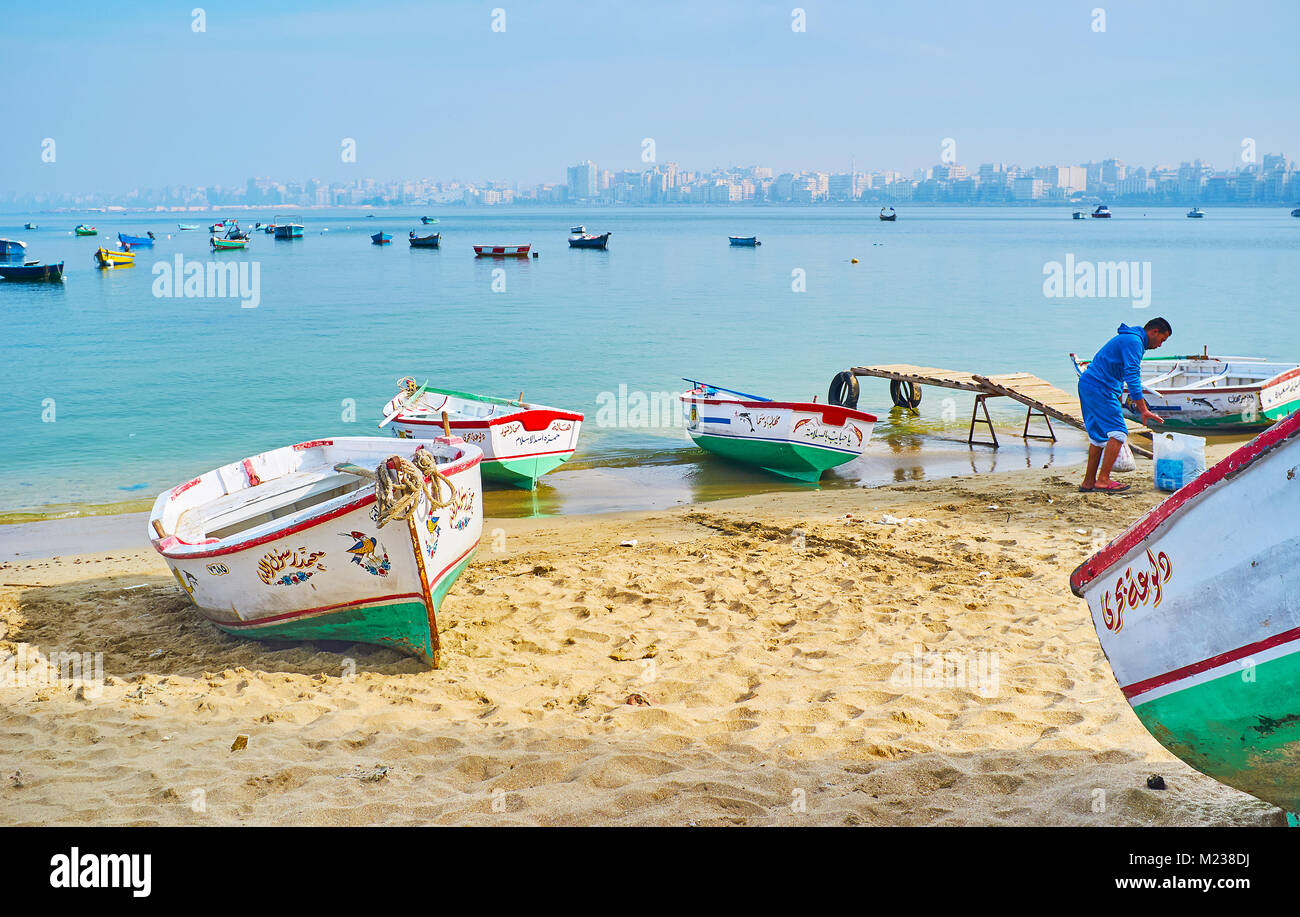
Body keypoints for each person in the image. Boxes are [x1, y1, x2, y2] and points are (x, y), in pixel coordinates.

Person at [1078, 317, 1172, 493]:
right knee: (1119, 432)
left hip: (1089, 384)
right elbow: (1132, 376)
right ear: (1154, 332)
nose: (1160, 345)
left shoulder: (1131, 339)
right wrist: (1143, 409)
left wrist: (1119, 397)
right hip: (1100, 387)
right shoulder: (1134, 342)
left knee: (1098, 437)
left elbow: (1119, 373)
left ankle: (1089, 482)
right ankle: (1103, 480)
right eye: (1162, 340)